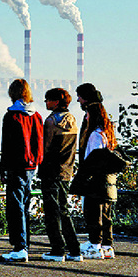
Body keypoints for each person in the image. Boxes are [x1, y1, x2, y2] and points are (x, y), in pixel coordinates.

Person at [0, 78, 43, 262]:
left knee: (15, 205)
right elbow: (39, 140)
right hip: (31, 165)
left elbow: (6, 145)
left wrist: (3, 167)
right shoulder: (36, 115)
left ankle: (20, 247)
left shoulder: (11, 116)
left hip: (16, 165)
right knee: (25, 203)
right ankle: (25, 244)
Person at [38, 88, 83, 262]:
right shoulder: (72, 120)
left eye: (48, 99)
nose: (45, 102)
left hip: (50, 171)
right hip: (66, 170)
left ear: (56, 102)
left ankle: (57, 249)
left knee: (51, 212)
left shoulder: (50, 122)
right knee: (64, 209)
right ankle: (74, 249)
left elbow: (45, 148)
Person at [73, 102, 121, 260]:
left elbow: (93, 159)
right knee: (106, 215)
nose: (85, 117)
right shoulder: (109, 133)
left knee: (93, 214)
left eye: (87, 114)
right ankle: (107, 246)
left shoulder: (95, 135)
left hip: (96, 181)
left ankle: (95, 246)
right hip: (108, 181)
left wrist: (83, 178)